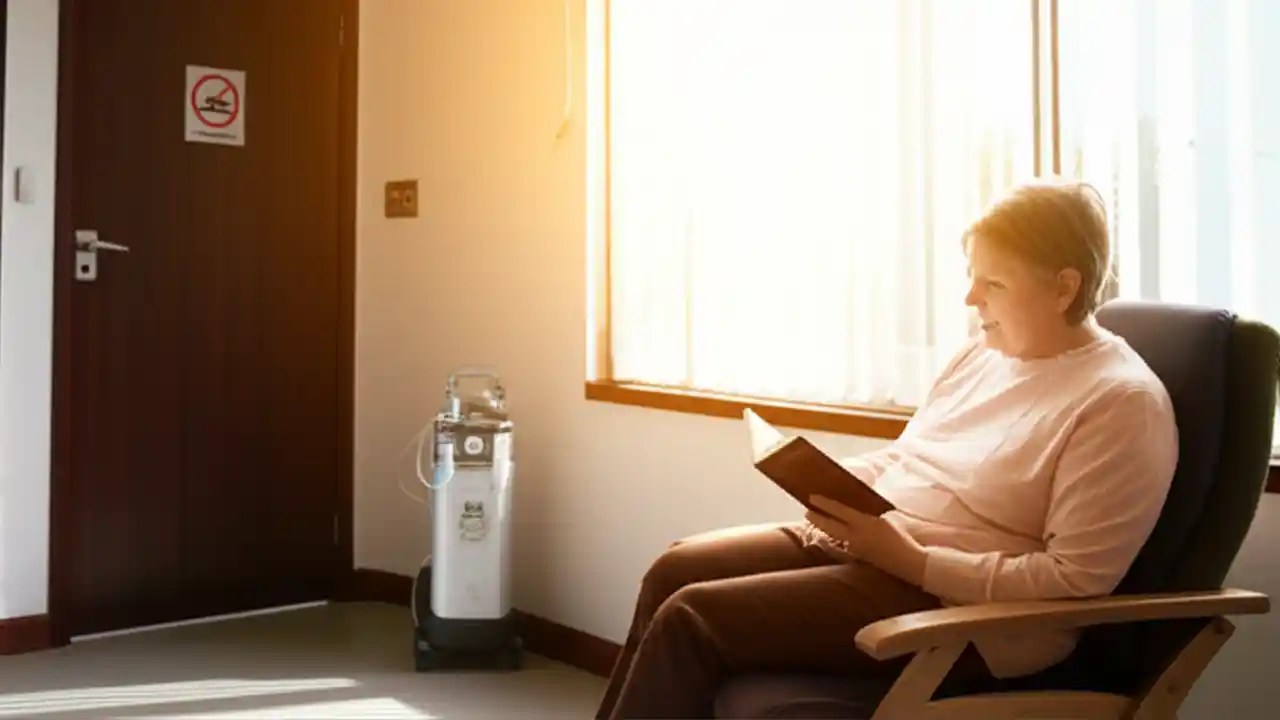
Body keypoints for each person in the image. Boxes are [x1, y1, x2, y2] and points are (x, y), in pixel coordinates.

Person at [595, 179, 1179, 719]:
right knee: (674, 569)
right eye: (972, 276)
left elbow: (1074, 579)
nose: (971, 298)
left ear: (1064, 287)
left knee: (692, 619)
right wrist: (832, 482)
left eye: (994, 284)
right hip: (877, 549)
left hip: (960, 612)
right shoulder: (984, 354)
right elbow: (912, 456)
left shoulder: (1119, 403)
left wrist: (913, 560)